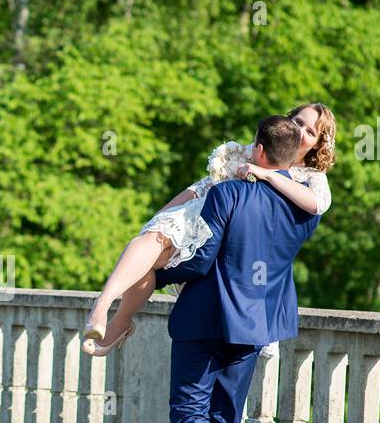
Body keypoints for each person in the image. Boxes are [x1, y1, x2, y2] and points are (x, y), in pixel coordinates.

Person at [152, 114, 322, 423]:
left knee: (187, 413)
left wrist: (156, 275)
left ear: (259, 151)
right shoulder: (305, 213)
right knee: (227, 420)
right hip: (255, 324)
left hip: (206, 319)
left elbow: (201, 259)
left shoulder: (228, 194)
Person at [81, 103, 335, 355]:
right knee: (151, 238)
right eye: (298, 121)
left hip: (230, 242)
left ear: (317, 144)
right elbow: (205, 185)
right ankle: (104, 307)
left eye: (310, 131)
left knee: (154, 254)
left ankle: (121, 321)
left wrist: (267, 175)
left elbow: (317, 204)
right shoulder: (252, 150)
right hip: (201, 214)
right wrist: (162, 214)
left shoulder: (311, 177)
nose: (299, 130)